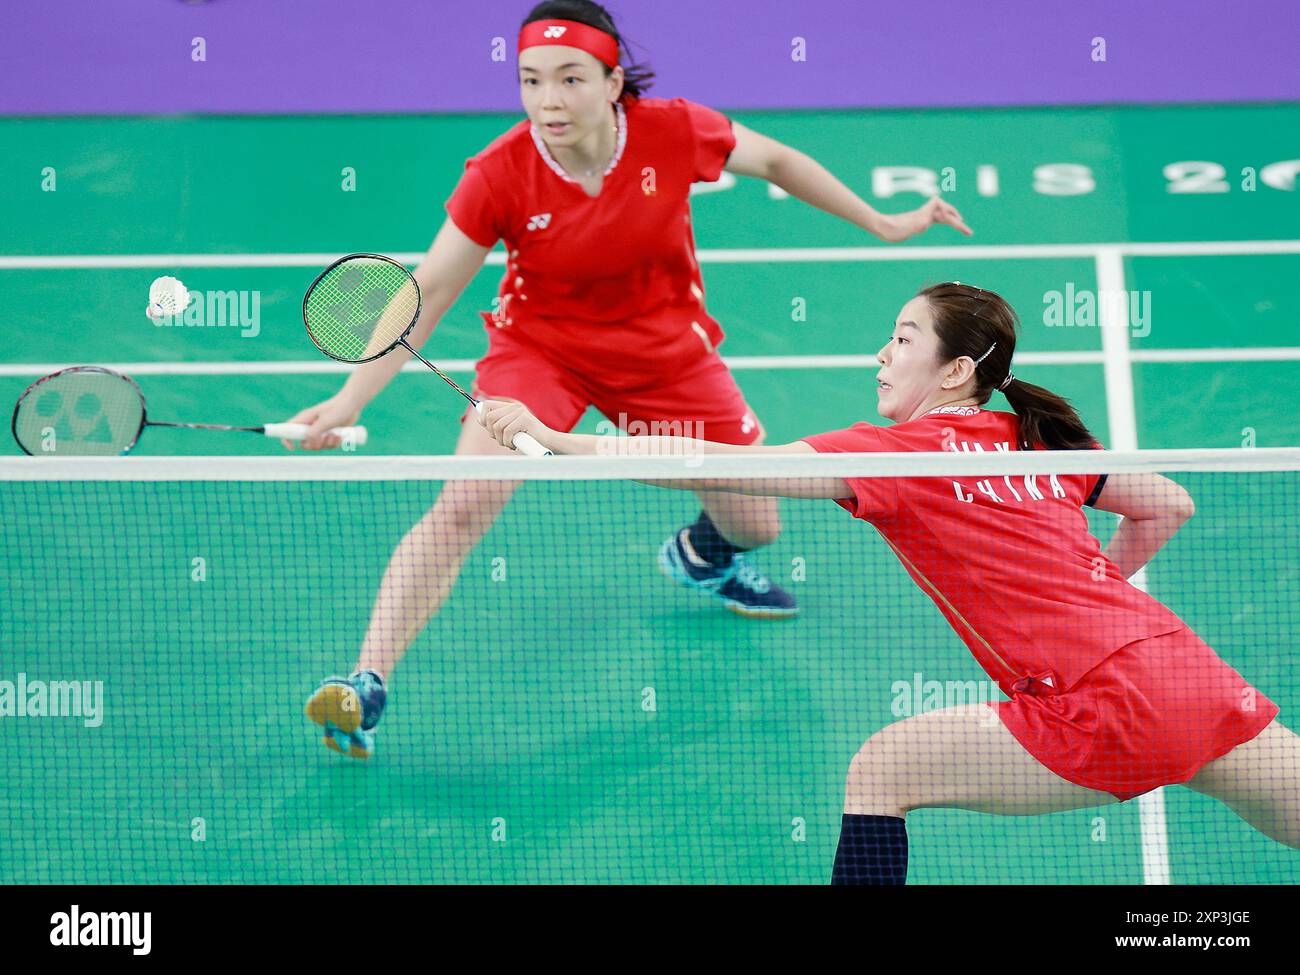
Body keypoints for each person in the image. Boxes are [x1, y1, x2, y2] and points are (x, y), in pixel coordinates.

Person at [298, 0, 971, 758]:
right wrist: (348, 400)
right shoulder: (498, 174)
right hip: (540, 352)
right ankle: (367, 682)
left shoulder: (673, 131)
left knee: (758, 520)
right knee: (465, 500)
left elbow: (778, 161)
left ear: (614, 80)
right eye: (530, 80)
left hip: (666, 356)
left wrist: (882, 222)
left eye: (571, 79)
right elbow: (426, 292)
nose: (549, 101)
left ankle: (702, 555)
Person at [477, 281, 1300, 882]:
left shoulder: (891, 454)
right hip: (1185, 672)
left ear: (951, 371)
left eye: (903, 337)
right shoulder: (1036, 438)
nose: (881, 352)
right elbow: (1169, 506)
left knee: (882, 768)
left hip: (1098, 705)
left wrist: (559, 441)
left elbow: (710, 463)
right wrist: (1091, 597)